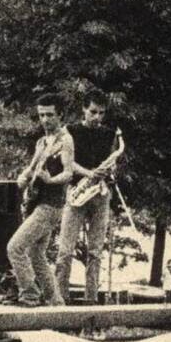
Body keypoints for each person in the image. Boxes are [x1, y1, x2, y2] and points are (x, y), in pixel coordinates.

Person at [55, 94, 122, 306]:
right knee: (65, 251)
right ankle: (59, 299)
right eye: (93, 112)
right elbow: (68, 162)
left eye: (101, 113)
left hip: (100, 194)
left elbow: (113, 161)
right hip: (77, 191)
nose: (97, 117)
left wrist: (111, 170)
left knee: (95, 252)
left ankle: (91, 300)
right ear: (83, 110)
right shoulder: (70, 131)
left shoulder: (110, 134)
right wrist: (89, 174)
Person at [8, 94, 74, 307]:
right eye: (41, 115)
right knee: (37, 255)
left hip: (50, 205)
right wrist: (22, 179)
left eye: (50, 115)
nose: (45, 120)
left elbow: (69, 173)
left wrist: (51, 179)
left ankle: (30, 295)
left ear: (60, 115)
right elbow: (31, 168)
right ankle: (56, 302)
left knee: (15, 248)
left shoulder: (65, 140)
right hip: (37, 203)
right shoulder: (42, 142)